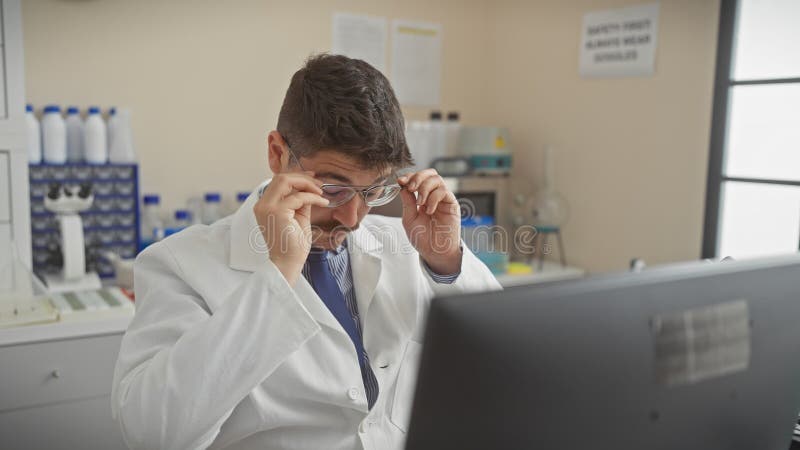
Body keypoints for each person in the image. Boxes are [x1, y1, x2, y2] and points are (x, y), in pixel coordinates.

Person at [111, 54, 501, 450]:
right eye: (332, 189)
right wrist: (278, 276)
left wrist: (446, 260)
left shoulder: (405, 245)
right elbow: (152, 433)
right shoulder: (181, 264)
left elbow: (500, 361)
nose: (352, 218)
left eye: (373, 191)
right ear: (278, 154)